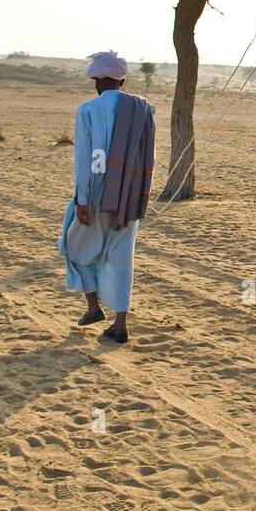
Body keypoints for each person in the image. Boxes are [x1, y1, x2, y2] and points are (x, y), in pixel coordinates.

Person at [57, 51, 156, 344]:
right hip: (131, 192)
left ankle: (93, 306)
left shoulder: (88, 110)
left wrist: (83, 200)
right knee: (123, 257)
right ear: (122, 80)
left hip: (97, 192)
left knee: (72, 245)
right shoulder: (144, 109)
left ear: (97, 82)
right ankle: (120, 324)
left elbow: (85, 160)